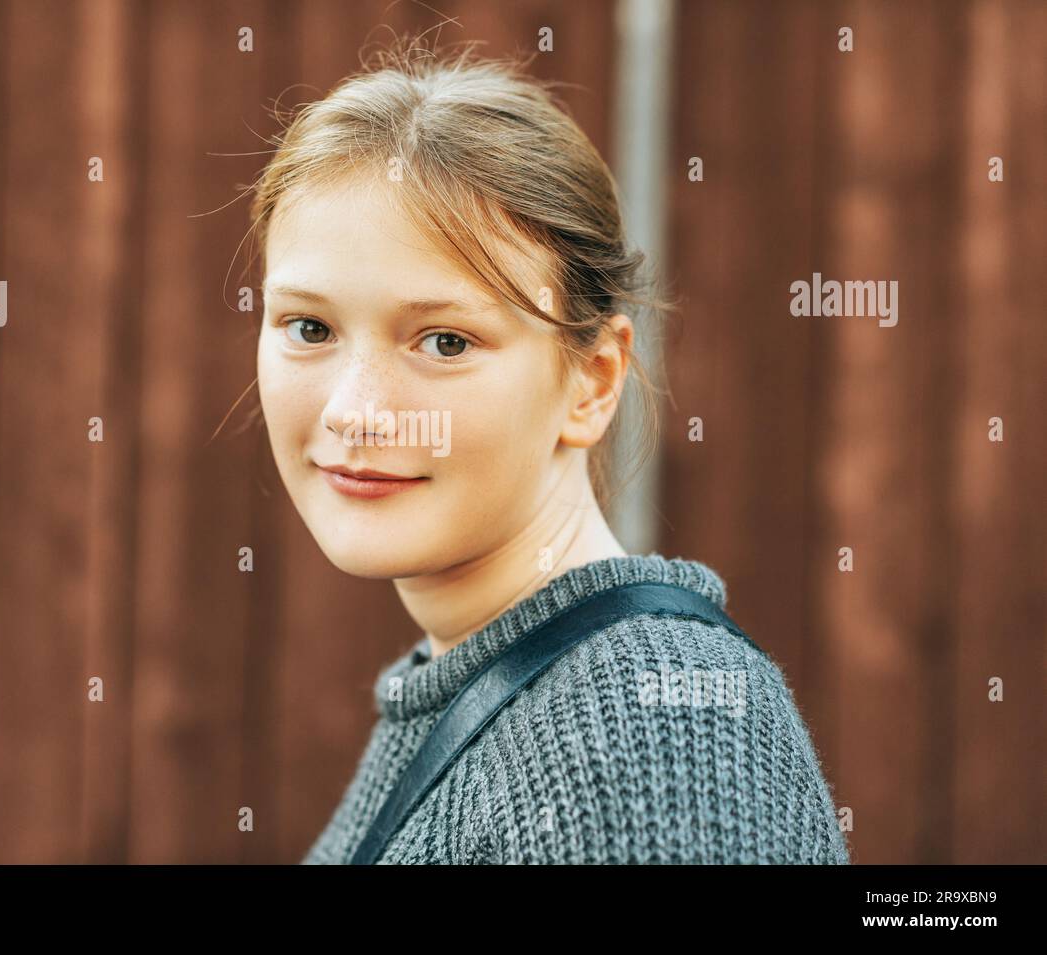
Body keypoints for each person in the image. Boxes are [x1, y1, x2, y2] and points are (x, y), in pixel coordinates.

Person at [247, 39, 849, 864]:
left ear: (592, 382)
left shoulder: (659, 728)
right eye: (309, 328)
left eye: (446, 341)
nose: (357, 412)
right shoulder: (473, 687)